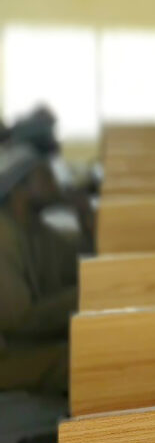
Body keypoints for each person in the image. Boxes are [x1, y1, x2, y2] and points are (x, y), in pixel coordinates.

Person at [0, 145, 78, 395]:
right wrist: (80, 299)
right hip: (8, 355)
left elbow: (77, 269)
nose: (55, 183)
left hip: (24, 344)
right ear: (19, 189)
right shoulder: (4, 236)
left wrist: (85, 216)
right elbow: (17, 320)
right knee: (82, 360)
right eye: (46, 176)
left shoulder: (37, 231)